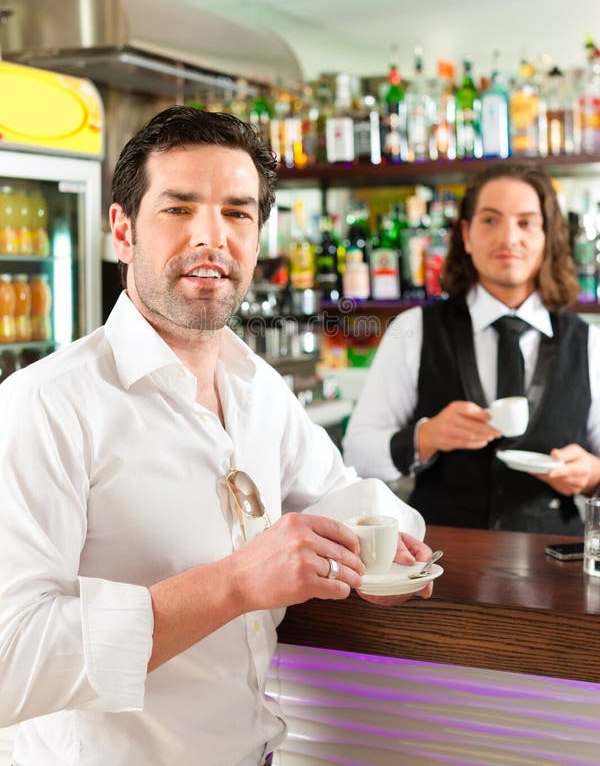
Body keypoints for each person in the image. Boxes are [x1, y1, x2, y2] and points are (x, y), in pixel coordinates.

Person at [0, 106, 432, 766]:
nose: (213, 237)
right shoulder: (44, 406)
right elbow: (10, 659)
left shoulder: (259, 388)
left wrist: (390, 551)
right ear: (123, 231)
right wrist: (233, 584)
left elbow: (344, 495)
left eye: (237, 212)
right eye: (179, 209)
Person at [344, 161, 600, 534]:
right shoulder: (415, 329)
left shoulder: (588, 342)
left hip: (553, 563)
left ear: (548, 237)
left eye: (526, 223)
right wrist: (426, 437)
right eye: (490, 220)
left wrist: (592, 474)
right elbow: (357, 455)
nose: (508, 238)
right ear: (466, 234)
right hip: (442, 559)